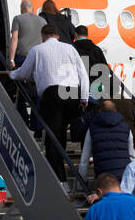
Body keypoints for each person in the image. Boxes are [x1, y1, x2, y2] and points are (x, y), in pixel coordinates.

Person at [9, 25, 89, 181]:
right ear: (57, 36)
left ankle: (60, 179)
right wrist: (84, 98)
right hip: (72, 93)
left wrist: (12, 74)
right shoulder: (70, 49)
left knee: (52, 137)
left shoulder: (37, 50)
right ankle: (69, 172)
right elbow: (82, 74)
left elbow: (24, 73)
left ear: (43, 36)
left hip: (53, 94)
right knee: (61, 134)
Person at [78, 99, 134, 185]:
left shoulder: (92, 128)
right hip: (124, 177)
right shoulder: (126, 127)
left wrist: (82, 182)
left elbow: (84, 159)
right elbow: (132, 156)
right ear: (115, 110)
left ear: (100, 111)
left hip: (103, 179)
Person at [72, 24, 109, 96]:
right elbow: (105, 69)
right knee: (95, 105)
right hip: (96, 85)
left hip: (78, 86)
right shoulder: (97, 49)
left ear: (75, 34)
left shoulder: (72, 49)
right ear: (87, 35)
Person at [8, 0, 44, 68]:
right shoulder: (43, 21)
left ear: (21, 9)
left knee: (20, 77)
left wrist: (11, 59)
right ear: (33, 9)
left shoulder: (17, 19)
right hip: (38, 56)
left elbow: (14, 39)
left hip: (23, 56)